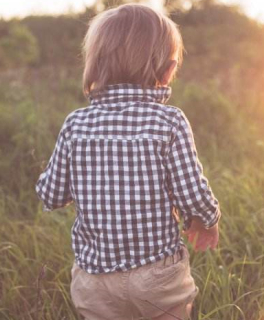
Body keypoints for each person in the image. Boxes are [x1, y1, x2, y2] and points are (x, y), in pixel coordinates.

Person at [36, 4, 221, 319]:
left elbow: (51, 196)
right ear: (167, 68)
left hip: (94, 280)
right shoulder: (169, 121)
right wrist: (209, 220)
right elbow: (191, 194)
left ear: (95, 64)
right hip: (157, 277)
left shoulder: (76, 124)